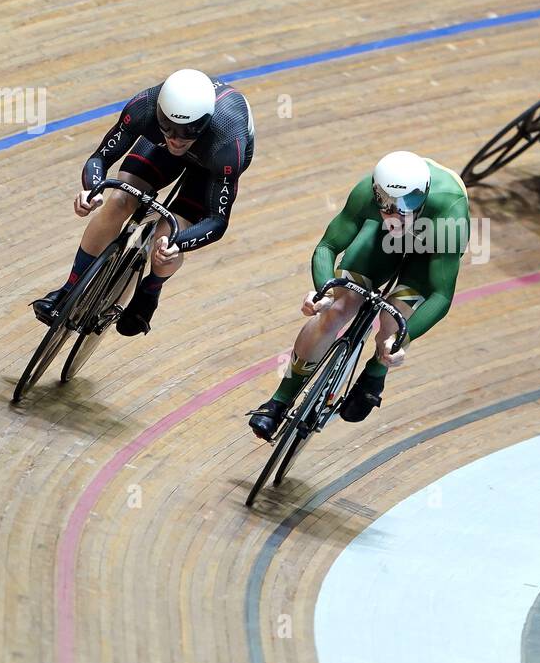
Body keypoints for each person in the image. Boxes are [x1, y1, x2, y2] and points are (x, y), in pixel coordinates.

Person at [248, 151, 469, 439]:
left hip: (429, 245)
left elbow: (441, 295)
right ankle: (279, 400)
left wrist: (402, 338)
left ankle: (376, 372)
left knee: (393, 324)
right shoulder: (366, 192)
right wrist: (323, 291)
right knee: (336, 310)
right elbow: (328, 246)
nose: (397, 213)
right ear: (376, 193)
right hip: (380, 239)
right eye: (387, 205)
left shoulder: (449, 209)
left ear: (424, 194)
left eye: (408, 203)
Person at [31, 68, 254, 334]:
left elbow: (217, 221)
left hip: (209, 166)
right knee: (119, 201)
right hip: (161, 150)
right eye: (168, 128)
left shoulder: (228, 145)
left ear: (205, 123)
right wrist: (92, 191)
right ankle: (68, 291)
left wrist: (177, 243)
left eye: (187, 132)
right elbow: (100, 158)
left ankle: (150, 291)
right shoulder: (144, 106)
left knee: (166, 238)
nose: (176, 139)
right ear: (159, 112)